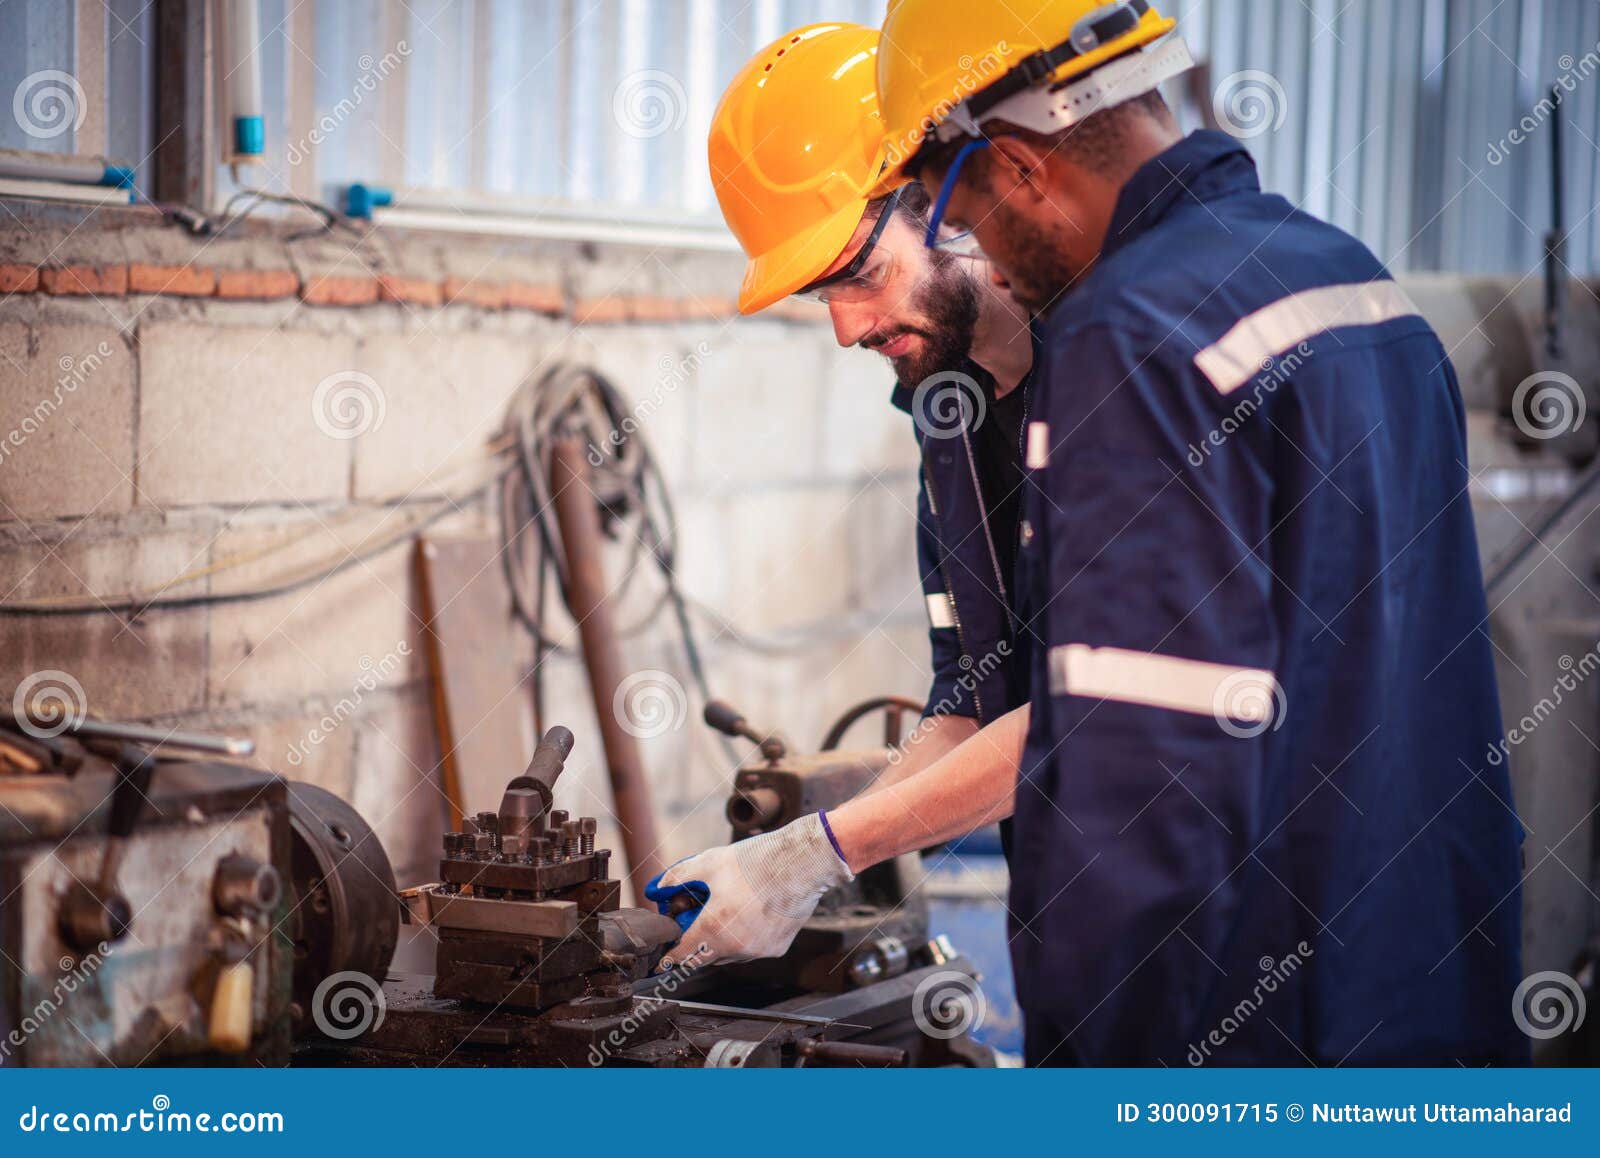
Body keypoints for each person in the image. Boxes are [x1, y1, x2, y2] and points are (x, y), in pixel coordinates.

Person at [855, 0, 1527, 1064]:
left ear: (1021, 165)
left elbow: (1141, 787)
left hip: (1248, 1029)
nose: (985, 256)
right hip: (1425, 969)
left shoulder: (1128, 332)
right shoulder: (1347, 278)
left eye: (970, 219)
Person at [651, 24, 1040, 968]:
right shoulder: (946, 421)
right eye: (820, 294)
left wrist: (819, 852)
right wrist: (796, 861)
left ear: (952, 198)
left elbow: (1096, 706)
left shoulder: (1120, 386)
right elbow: (973, 699)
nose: (847, 329)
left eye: (862, 273)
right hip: (1070, 926)